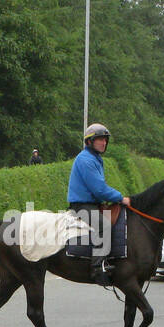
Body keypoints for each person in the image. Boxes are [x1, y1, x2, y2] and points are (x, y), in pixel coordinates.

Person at [67, 123, 131, 287]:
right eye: (100, 140)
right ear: (89, 142)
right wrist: (120, 198)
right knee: (105, 226)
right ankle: (96, 268)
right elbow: (99, 189)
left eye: (105, 140)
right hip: (82, 206)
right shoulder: (85, 160)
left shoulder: (96, 158)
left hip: (93, 204)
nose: (103, 143)